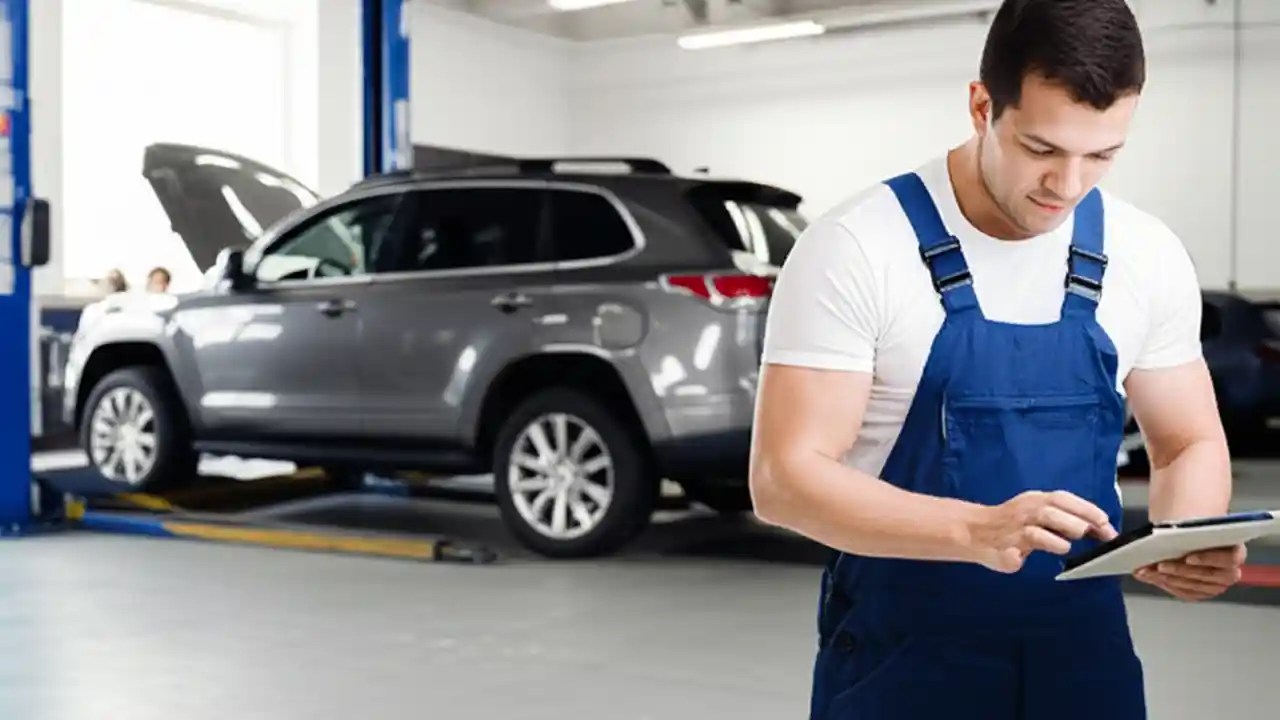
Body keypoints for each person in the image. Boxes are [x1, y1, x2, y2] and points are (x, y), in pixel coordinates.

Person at [749, 1, 1244, 718]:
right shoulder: (856, 248)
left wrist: (1182, 539)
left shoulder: (1147, 253)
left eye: (1101, 155)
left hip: (1085, 663)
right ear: (982, 106)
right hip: (906, 665)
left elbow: (1187, 441)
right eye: (1041, 149)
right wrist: (975, 531)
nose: (1068, 186)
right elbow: (784, 478)